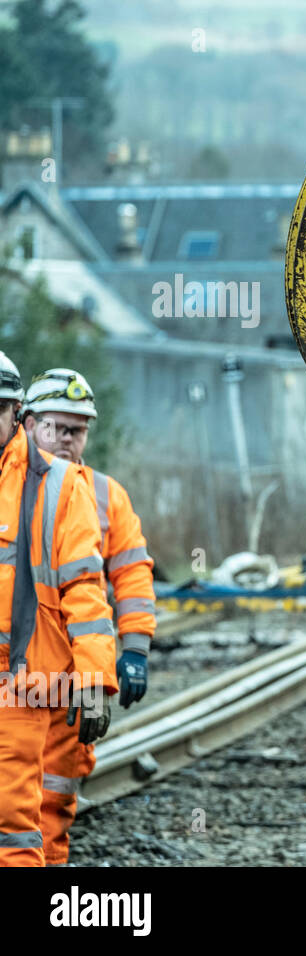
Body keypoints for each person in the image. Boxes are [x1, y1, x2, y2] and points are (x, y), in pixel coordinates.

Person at [21, 369, 155, 865]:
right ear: (27, 423)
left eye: (75, 431)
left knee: (53, 792)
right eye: (54, 428)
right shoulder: (10, 485)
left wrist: (135, 648)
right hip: (15, 667)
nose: (64, 441)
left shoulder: (103, 494)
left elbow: (132, 573)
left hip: (72, 669)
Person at [0, 352, 117, 866]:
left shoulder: (62, 488)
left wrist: (95, 681)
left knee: (13, 823)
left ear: (14, 413)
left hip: (23, 683)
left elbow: (87, 592)